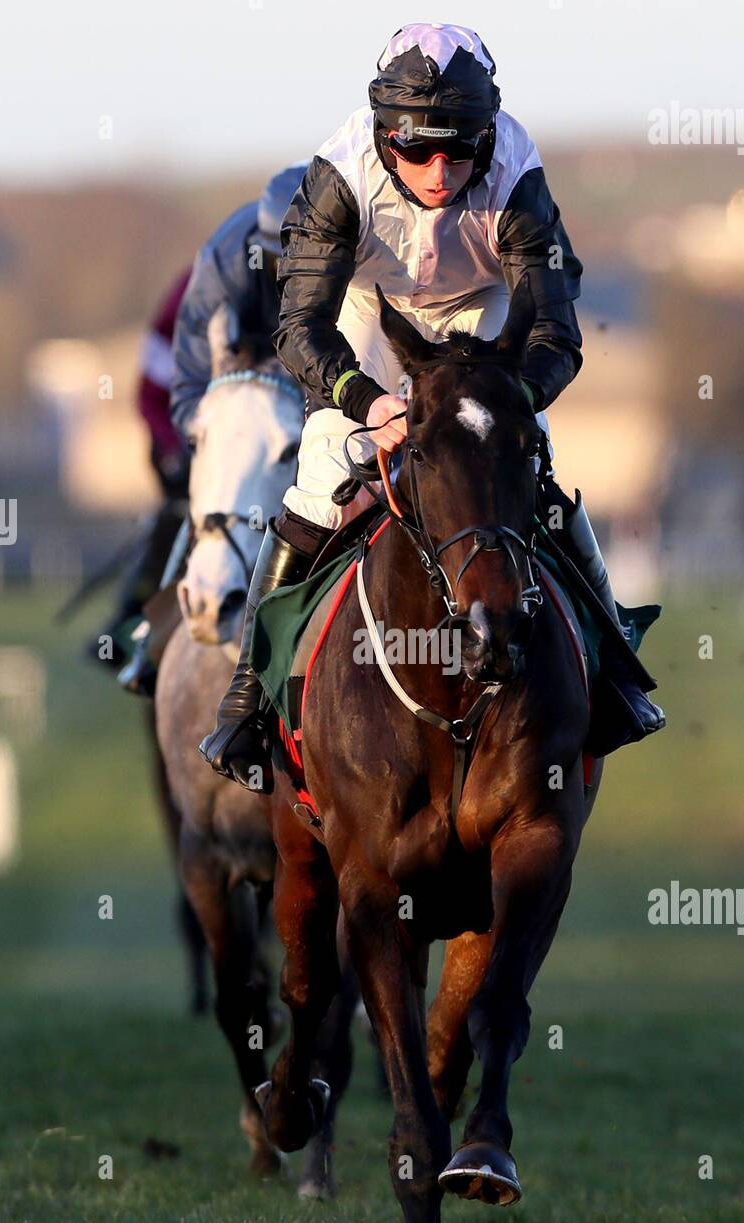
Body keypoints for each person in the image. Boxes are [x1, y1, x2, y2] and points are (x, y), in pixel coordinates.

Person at [199, 22, 664, 787]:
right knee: (319, 473)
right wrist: (363, 399)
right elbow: (300, 325)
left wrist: (510, 399)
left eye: (458, 148)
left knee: (532, 462)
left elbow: (554, 327)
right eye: (417, 151)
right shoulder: (339, 171)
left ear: (488, 133)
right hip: (370, 316)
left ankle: (613, 664)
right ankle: (249, 695)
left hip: (478, 318)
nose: (440, 171)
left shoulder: (517, 168)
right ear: (384, 136)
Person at [114, 162, 308, 693]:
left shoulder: (358, 256)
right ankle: (144, 637)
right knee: (199, 491)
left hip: (314, 391)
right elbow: (188, 387)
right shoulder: (223, 264)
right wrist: (198, 441)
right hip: (228, 394)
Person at [92, 268, 191, 682]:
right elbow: (149, 395)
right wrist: (175, 447)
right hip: (180, 440)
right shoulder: (194, 286)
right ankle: (131, 619)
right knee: (177, 516)